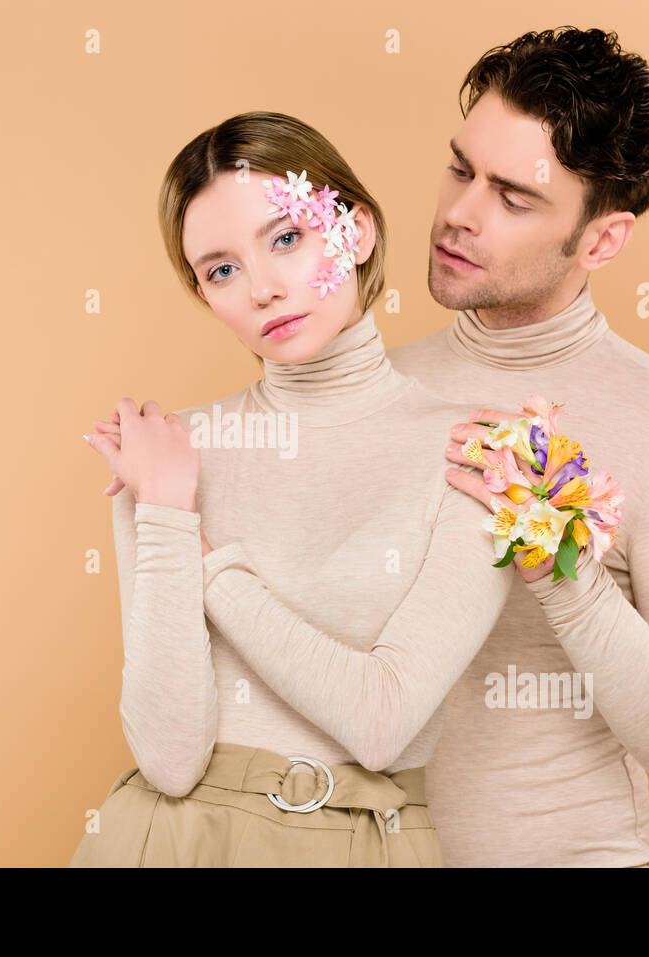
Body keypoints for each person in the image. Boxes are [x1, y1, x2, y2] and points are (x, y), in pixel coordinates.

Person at [70, 111, 514, 867]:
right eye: (221, 270)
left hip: (367, 843)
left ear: (358, 232)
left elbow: (382, 722)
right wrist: (167, 511)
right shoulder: (167, 455)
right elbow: (171, 757)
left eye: (285, 238)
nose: (264, 289)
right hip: (173, 843)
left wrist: (209, 564)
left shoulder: (478, 452)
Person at [390, 26, 649, 866]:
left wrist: (566, 572)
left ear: (601, 240)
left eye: (513, 197)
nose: (459, 212)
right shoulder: (375, 387)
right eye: (461, 168)